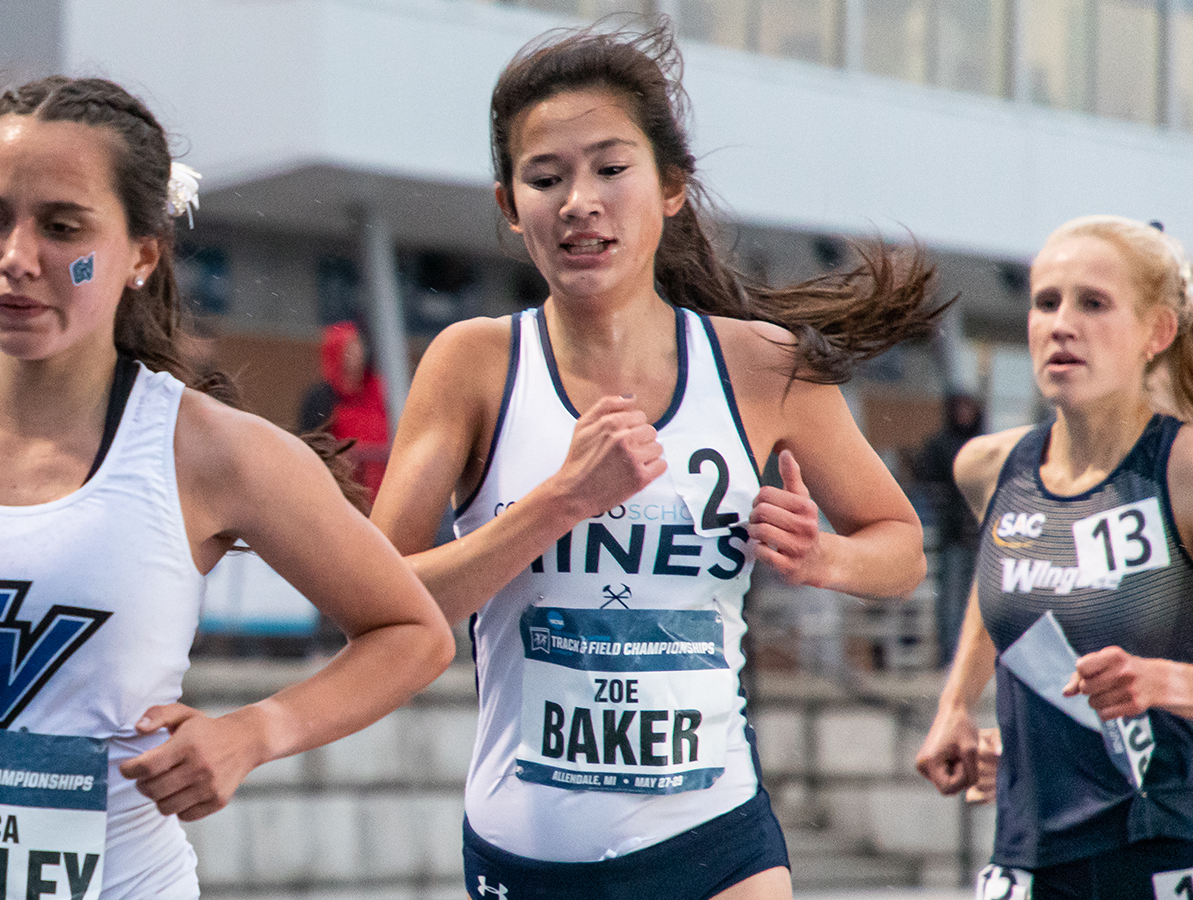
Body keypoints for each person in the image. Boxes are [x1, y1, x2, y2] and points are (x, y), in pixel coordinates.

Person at [0, 76, 453, 900]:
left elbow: (412, 633)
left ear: (141, 253)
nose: (17, 258)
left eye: (62, 226)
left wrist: (255, 732)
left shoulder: (211, 451)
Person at [370, 25, 938, 900]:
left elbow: (900, 545)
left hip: (715, 842)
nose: (578, 202)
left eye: (609, 168)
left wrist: (824, 557)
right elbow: (380, 603)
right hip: (525, 856)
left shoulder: (763, 366)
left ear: (671, 187)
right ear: (508, 206)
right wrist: (558, 503)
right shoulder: (473, 363)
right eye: (545, 178)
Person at [915, 216, 1193, 899]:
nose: (1062, 324)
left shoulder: (1181, 471)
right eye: (1047, 302)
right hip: (1028, 854)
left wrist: (1166, 684)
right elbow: (1007, 583)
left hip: (1165, 851)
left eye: (1093, 303)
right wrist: (957, 705)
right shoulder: (991, 467)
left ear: (1156, 333)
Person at [914, 392, 985, 668]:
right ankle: (951, 657)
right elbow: (926, 477)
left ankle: (973, 659)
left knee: (979, 601)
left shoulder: (983, 445)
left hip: (981, 534)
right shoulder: (941, 446)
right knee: (952, 599)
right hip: (953, 534)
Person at [297, 320, 391, 499]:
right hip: (342, 492)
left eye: (357, 345)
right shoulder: (321, 398)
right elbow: (311, 448)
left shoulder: (380, 390)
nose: (357, 352)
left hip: (382, 492)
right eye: (349, 347)